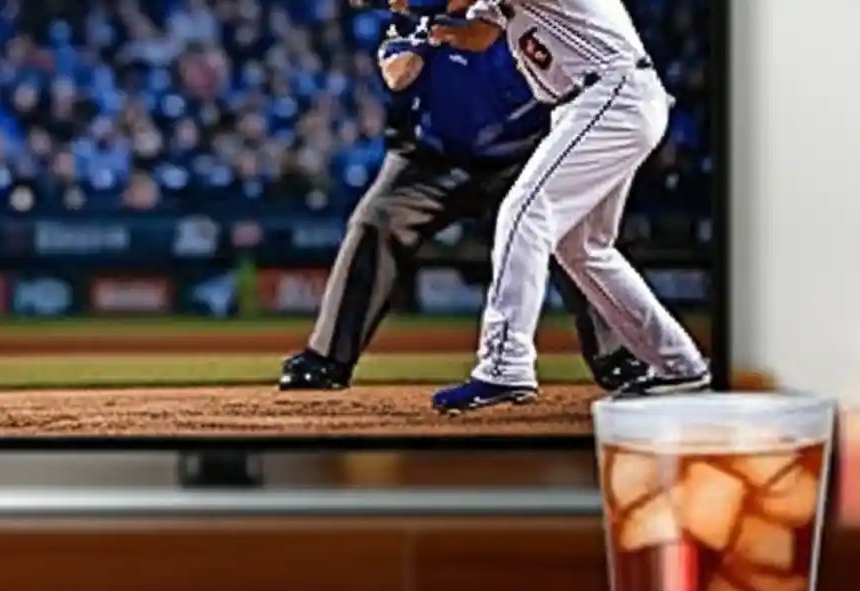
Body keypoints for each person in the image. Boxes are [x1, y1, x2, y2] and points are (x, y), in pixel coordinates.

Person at [279, 8, 649, 396]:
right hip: (431, 158)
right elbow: (398, 75)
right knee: (375, 222)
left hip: (527, 155)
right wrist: (428, 29)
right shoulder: (412, 18)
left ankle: (618, 354)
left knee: (572, 238)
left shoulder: (525, 12)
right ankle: (327, 358)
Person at [428, 0, 711, 413]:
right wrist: (434, 29)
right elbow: (479, 34)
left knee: (525, 213)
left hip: (610, 92)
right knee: (584, 248)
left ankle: (505, 366)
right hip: (594, 101)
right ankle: (679, 365)